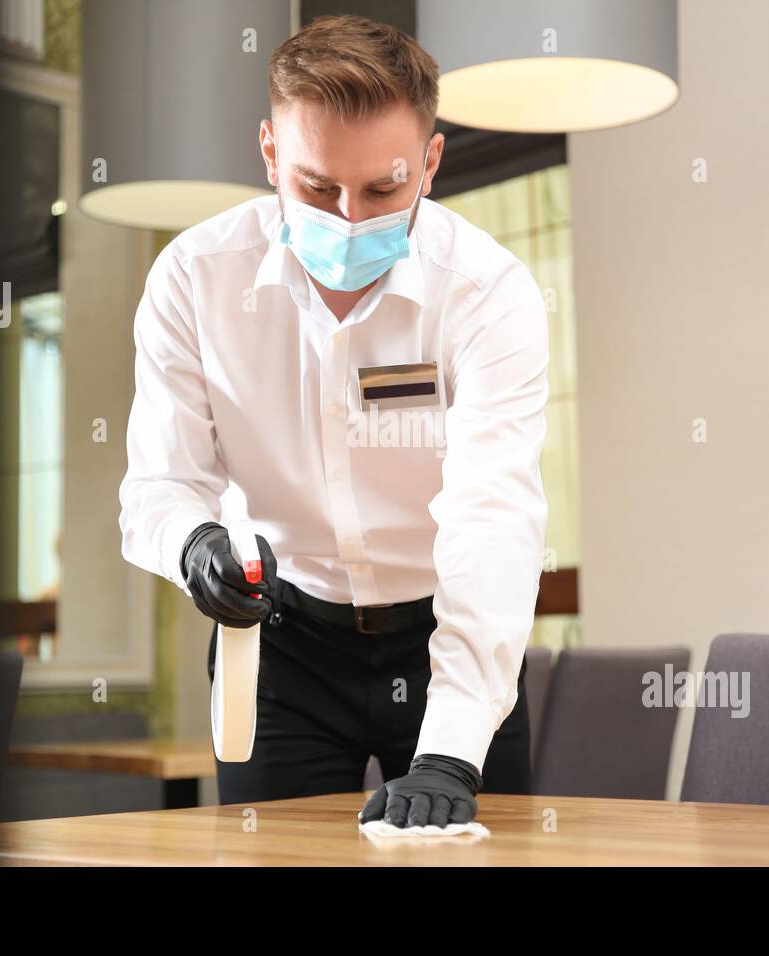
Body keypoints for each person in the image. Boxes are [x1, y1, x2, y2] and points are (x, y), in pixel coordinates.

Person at [118, 14, 548, 828]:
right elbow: (159, 486)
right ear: (271, 155)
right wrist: (195, 543)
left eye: (383, 189)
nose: (349, 218)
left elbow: (493, 521)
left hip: (448, 634)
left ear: (430, 162)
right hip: (281, 645)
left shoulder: (488, 292)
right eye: (318, 188)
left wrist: (453, 750)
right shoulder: (193, 280)